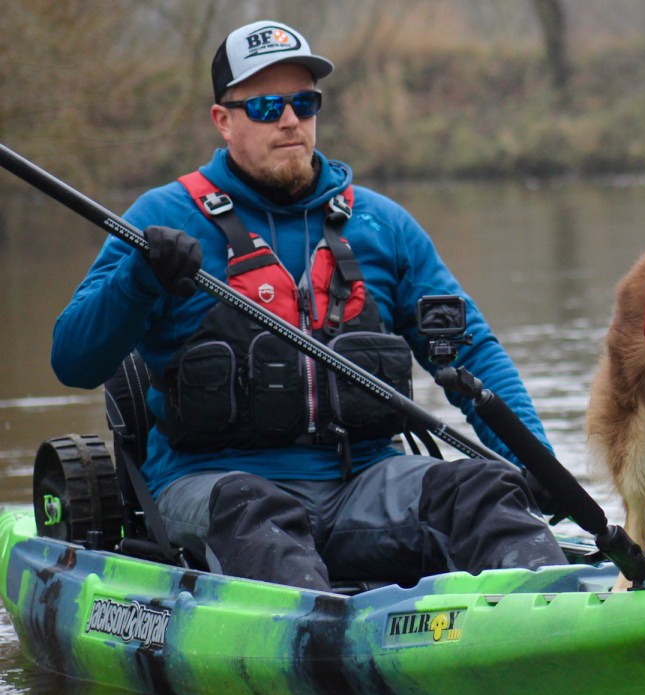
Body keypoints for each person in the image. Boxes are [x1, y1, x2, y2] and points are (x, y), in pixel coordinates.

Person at [50, 20, 568, 590]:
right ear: (223, 121)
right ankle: (320, 647)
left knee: (482, 489)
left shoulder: (383, 226)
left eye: (304, 101)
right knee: (255, 513)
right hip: (217, 488)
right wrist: (138, 278)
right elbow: (74, 361)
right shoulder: (163, 218)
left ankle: (552, 612)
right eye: (268, 106)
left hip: (364, 485)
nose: (291, 120)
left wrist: (537, 463)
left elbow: (473, 356)